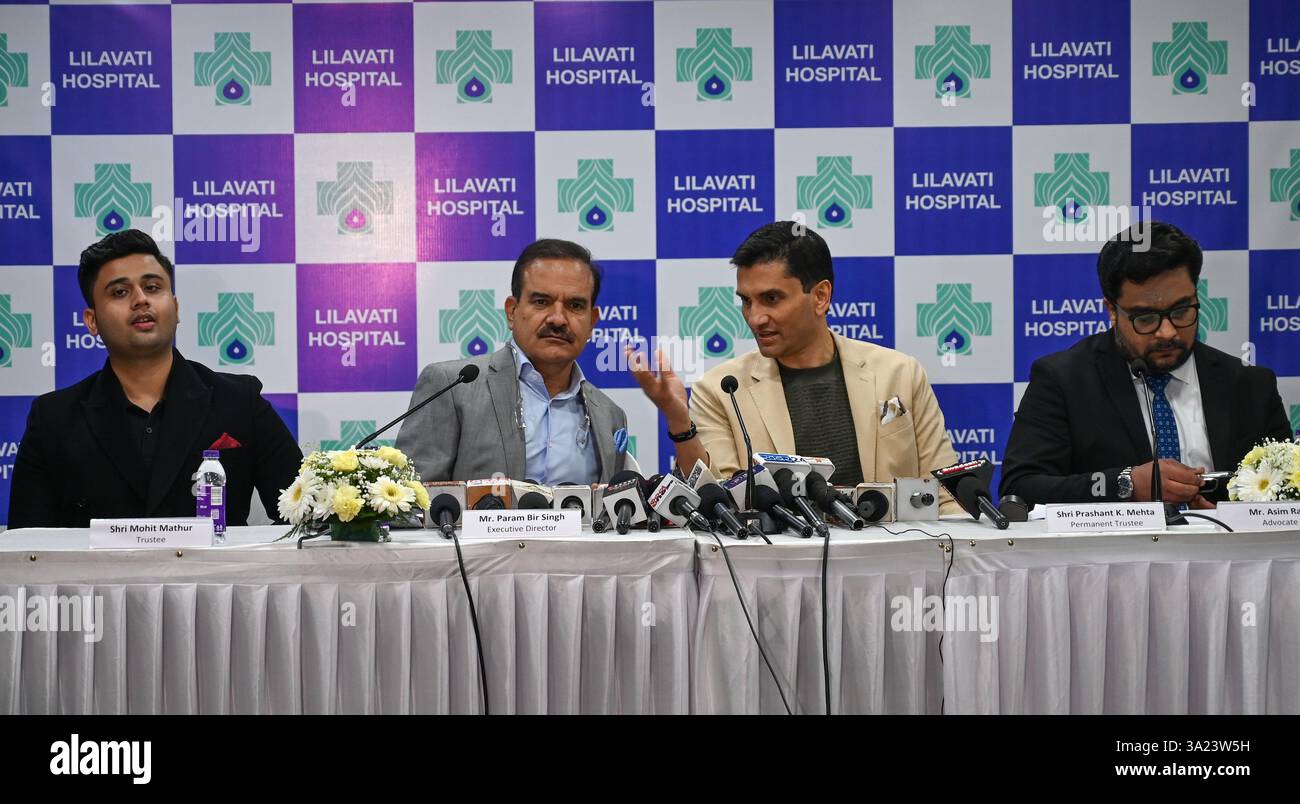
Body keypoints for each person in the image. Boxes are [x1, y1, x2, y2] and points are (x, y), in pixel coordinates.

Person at [630, 221, 960, 511]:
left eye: (771, 299)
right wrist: (678, 421)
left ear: (820, 297)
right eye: (746, 301)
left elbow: (946, 495)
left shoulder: (899, 373)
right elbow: (720, 505)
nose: (755, 318)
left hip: (890, 566)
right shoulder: (721, 389)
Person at [8, 230, 302, 529]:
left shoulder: (239, 401)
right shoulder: (54, 419)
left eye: (152, 287)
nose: (140, 300)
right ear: (92, 321)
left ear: (175, 307)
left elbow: (307, 516)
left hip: (214, 577)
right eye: (119, 292)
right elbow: (27, 547)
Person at [1000, 221, 1292, 507]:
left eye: (1181, 310)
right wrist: (1126, 484)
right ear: (1112, 311)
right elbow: (1020, 487)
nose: (1168, 332)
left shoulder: (1249, 385)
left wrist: (1229, 516)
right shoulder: (1064, 381)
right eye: (1146, 318)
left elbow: (1287, 491)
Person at [397, 239, 631, 484]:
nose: (558, 319)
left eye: (575, 305)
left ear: (592, 321)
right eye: (541, 302)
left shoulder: (610, 415)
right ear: (512, 311)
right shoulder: (453, 388)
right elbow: (411, 502)